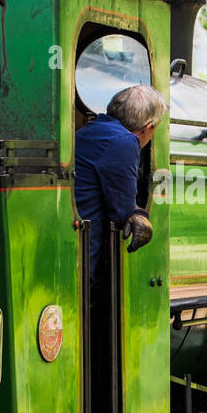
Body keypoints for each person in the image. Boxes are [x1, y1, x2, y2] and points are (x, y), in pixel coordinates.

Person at [74, 84, 164, 281]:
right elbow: (122, 209)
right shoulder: (124, 142)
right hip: (83, 246)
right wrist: (139, 214)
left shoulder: (92, 129)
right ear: (149, 127)